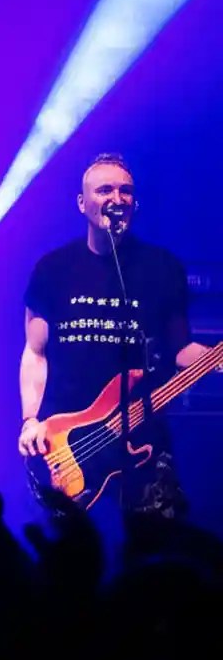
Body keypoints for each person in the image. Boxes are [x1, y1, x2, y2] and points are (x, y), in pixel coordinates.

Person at [19, 153, 219, 523]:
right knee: (71, 559)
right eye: (105, 190)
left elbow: (180, 349)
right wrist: (31, 419)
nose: (117, 198)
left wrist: (214, 358)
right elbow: (35, 352)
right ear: (82, 203)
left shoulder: (162, 267)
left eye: (126, 191)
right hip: (69, 443)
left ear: (135, 203)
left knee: (159, 550)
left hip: (142, 434)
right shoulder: (52, 269)